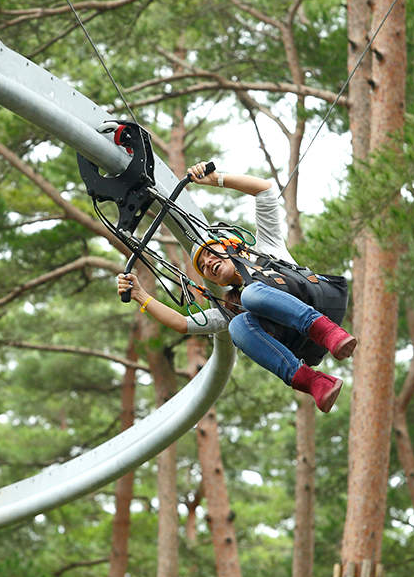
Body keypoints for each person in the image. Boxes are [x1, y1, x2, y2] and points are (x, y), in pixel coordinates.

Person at [116, 162, 357, 412]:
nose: (208, 262)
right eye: (203, 267)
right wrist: (140, 294)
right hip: (302, 342)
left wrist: (216, 180)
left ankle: (327, 331)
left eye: (211, 253)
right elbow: (182, 323)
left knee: (252, 293)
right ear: (216, 282)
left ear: (232, 246)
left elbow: (264, 190)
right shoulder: (233, 305)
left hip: (316, 301)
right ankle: (313, 381)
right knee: (237, 325)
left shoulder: (266, 249)